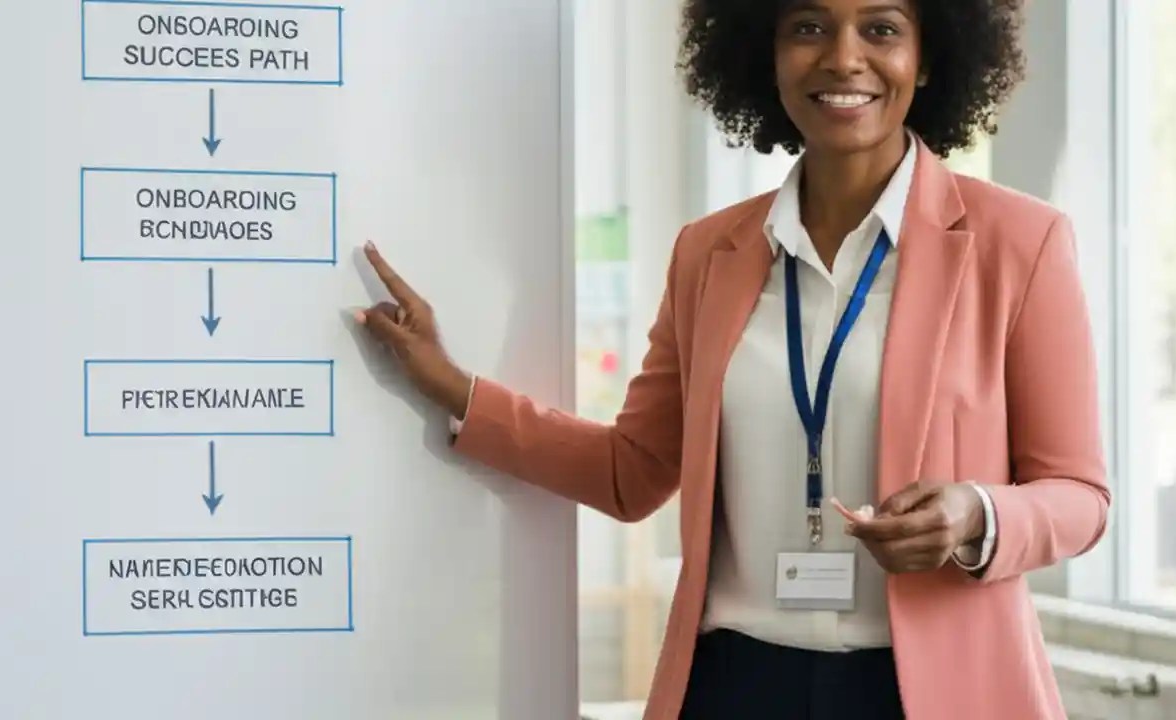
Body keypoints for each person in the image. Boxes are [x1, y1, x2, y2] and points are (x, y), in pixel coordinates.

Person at [354, 0, 1110, 717]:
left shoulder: (1020, 243)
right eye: (808, 26)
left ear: (930, 57)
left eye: (881, 30)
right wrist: (453, 386)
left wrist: (973, 513)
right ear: (766, 53)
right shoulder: (708, 253)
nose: (844, 59)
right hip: (735, 683)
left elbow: (1080, 496)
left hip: (928, 689)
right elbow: (631, 472)